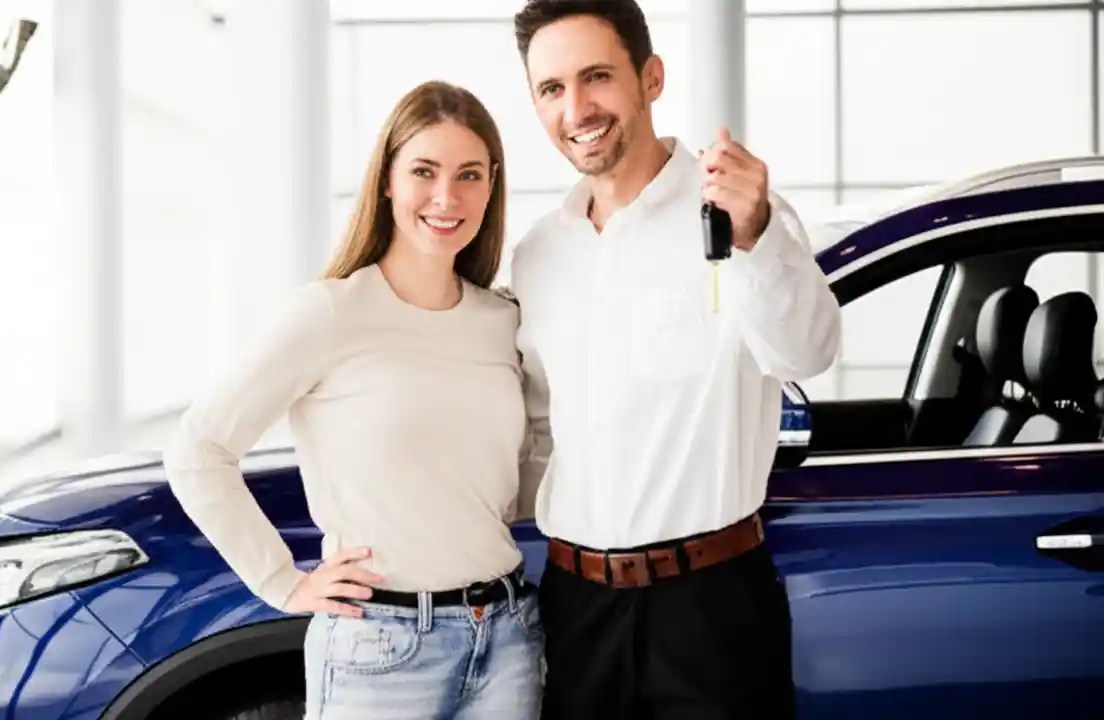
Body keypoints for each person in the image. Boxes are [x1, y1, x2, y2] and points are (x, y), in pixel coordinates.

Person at [163, 80, 543, 720]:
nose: (447, 197)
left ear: (491, 186)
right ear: (388, 180)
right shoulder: (328, 314)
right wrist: (282, 581)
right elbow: (198, 450)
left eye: (469, 175)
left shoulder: (501, 320)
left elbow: (516, 479)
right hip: (381, 651)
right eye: (424, 170)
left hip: (506, 639)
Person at [508, 1, 841, 718]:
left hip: (711, 609)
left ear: (650, 77)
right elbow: (538, 431)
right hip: (577, 610)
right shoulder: (538, 254)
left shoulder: (739, 211)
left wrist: (755, 239)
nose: (577, 108)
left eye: (597, 77)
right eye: (552, 88)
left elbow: (807, 352)